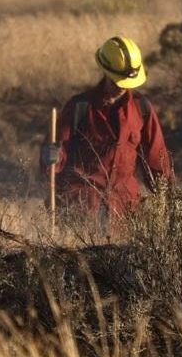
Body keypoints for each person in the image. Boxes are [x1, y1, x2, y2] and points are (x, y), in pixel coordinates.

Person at [52, 35, 173, 223]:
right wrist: (51, 157)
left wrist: (171, 201)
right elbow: (55, 155)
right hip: (81, 210)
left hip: (124, 213)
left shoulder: (142, 109)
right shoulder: (79, 107)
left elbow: (156, 159)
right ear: (106, 73)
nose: (122, 88)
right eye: (117, 81)